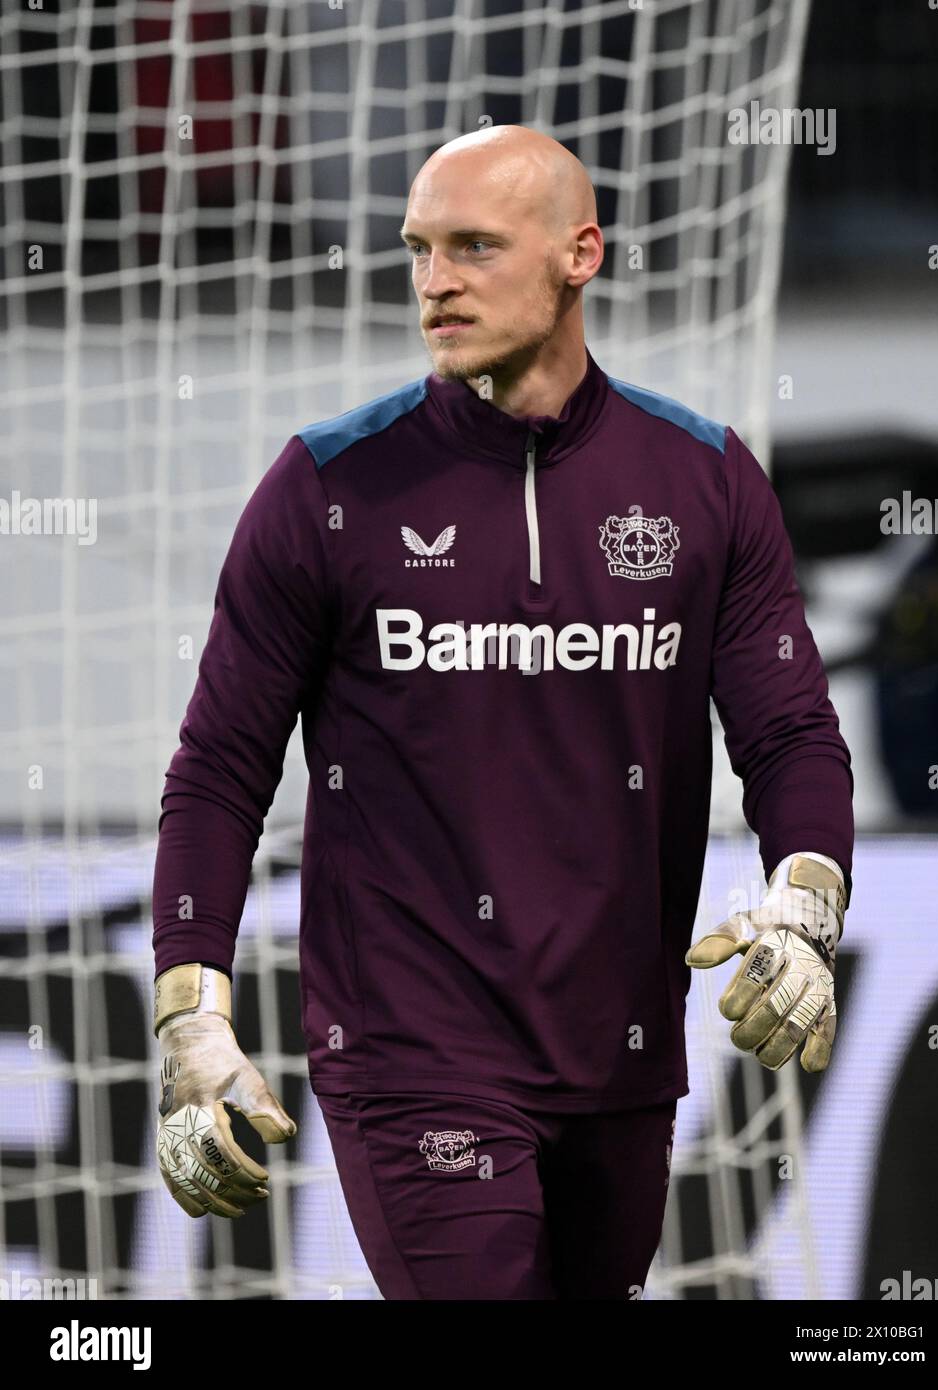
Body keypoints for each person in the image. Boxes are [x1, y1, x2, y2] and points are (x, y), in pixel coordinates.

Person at [152, 125, 853, 1300]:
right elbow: (220, 766)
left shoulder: (705, 479)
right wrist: (190, 1015)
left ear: (582, 253)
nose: (435, 281)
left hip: (621, 1047)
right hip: (412, 1048)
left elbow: (789, 731)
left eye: (474, 246)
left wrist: (805, 901)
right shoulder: (327, 488)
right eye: (418, 249)